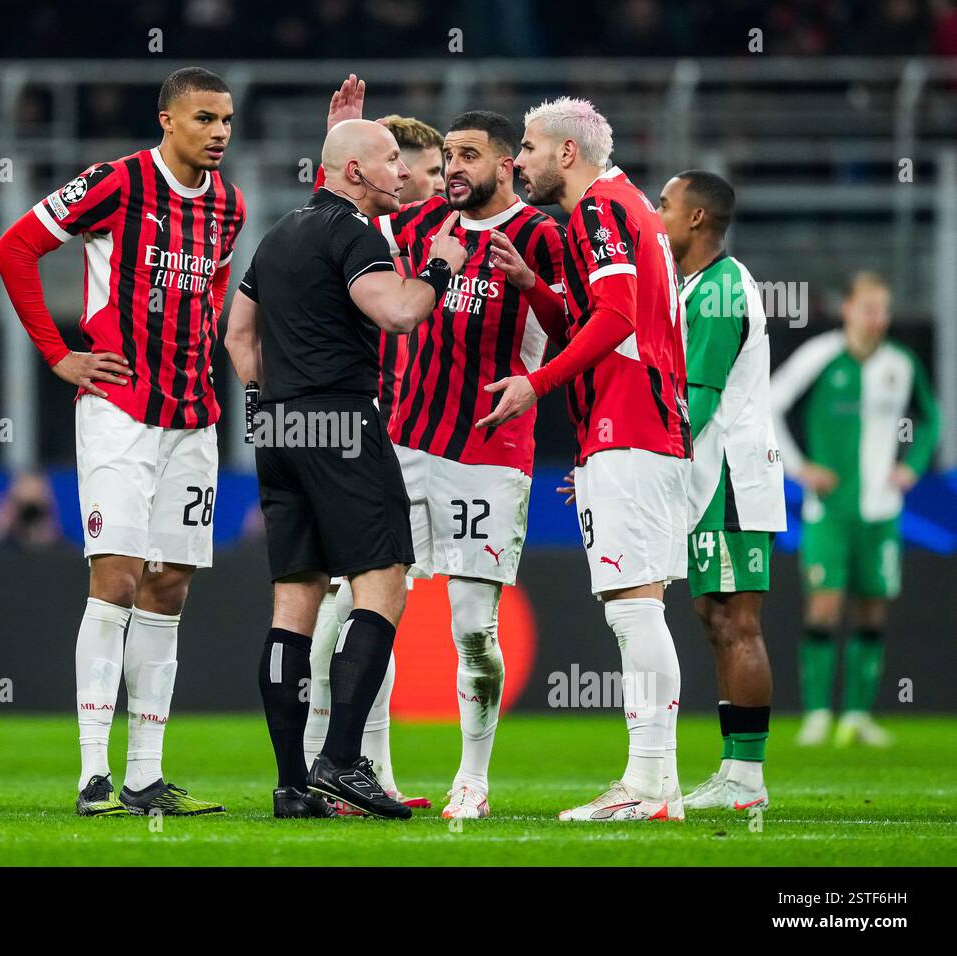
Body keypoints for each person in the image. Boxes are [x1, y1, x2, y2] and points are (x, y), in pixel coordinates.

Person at [0, 67, 245, 817]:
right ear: (167, 119)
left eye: (227, 120)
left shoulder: (227, 206)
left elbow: (214, 292)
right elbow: (15, 248)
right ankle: (92, 776)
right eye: (205, 119)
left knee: (170, 586)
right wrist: (57, 353)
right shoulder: (115, 182)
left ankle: (145, 778)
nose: (220, 132)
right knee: (119, 579)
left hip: (192, 419)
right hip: (120, 411)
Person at [316, 76, 569, 819]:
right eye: (446, 155)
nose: (450, 168)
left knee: (470, 627)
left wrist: (536, 294)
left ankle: (474, 777)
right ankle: (368, 773)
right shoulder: (426, 225)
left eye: (467, 156)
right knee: (369, 610)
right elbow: (340, 202)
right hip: (404, 446)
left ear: (506, 166)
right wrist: (343, 134)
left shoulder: (543, 238)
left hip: (487, 457)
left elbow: (582, 332)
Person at [225, 118, 468, 819]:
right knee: (383, 583)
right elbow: (396, 313)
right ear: (355, 172)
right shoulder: (355, 234)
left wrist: (273, 400)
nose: (404, 172)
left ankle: (291, 785)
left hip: (275, 423)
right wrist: (441, 266)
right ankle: (341, 761)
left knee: (294, 601)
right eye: (392, 160)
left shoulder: (276, 237)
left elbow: (237, 333)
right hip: (341, 420)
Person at [506, 97, 691, 822]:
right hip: (635, 422)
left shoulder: (597, 211)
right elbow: (601, 315)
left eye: (526, 147)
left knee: (634, 607)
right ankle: (655, 784)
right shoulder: (628, 205)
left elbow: (615, 321)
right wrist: (535, 290)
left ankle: (648, 785)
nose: (518, 160)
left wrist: (536, 384)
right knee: (637, 602)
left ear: (565, 154)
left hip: (632, 419)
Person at [300, 79, 448, 812]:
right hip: (361, 429)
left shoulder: (362, 227)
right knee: (363, 594)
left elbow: (328, 194)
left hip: (339, 426)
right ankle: (327, 764)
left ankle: (359, 770)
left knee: (351, 597)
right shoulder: (376, 234)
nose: (422, 179)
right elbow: (395, 307)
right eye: (409, 166)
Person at [658, 170, 786, 811]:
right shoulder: (694, 288)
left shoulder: (716, 291)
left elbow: (698, 401)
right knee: (715, 617)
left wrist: (641, 459)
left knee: (738, 620)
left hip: (732, 476)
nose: (657, 216)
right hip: (712, 476)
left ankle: (747, 779)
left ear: (698, 219)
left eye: (666, 205)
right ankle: (736, 771)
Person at [770, 271, 940, 747]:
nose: (877, 318)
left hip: (882, 512)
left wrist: (913, 466)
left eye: (884, 309)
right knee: (823, 609)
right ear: (847, 308)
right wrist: (800, 468)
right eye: (869, 308)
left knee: (871, 611)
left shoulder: (900, 364)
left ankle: (858, 715)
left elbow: (930, 419)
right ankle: (819, 713)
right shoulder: (821, 356)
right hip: (829, 511)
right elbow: (769, 404)